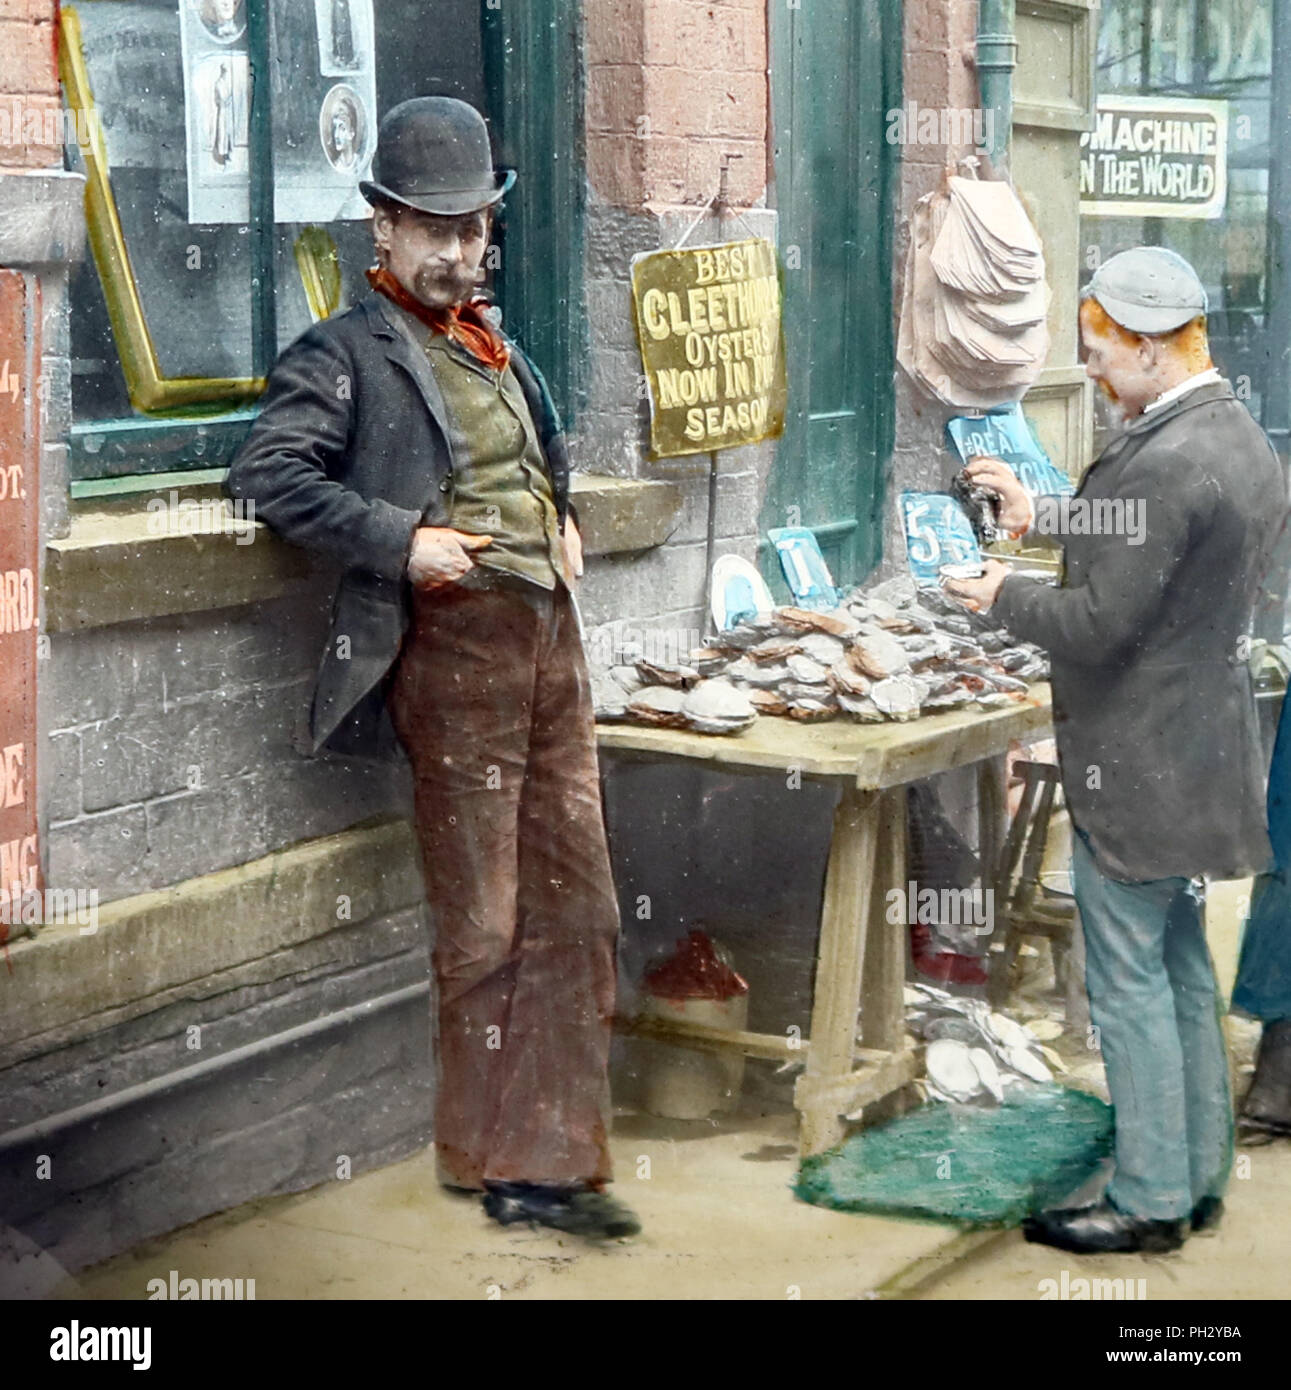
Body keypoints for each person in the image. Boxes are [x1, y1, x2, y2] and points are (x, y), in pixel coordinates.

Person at [224, 96, 639, 1242]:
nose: (457, 250)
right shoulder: (344, 353)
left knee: (584, 909)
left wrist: (565, 513)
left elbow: (543, 450)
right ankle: (492, 1158)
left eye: (472, 229)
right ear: (383, 230)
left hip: (553, 651)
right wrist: (403, 540)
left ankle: (555, 1158)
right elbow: (267, 475)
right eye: (433, 229)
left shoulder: (497, 343)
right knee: (487, 921)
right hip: (453, 662)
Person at [944, 246, 1284, 1254]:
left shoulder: (1169, 455)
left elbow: (1098, 623)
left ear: (1148, 346)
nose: (1088, 370)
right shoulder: (1232, 439)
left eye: (1097, 354)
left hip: (1136, 760)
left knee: (1127, 981)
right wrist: (1040, 510)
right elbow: (1150, 541)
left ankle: (1142, 1201)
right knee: (1179, 963)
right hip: (1203, 751)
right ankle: (1196, 1177)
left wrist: (999, 593)